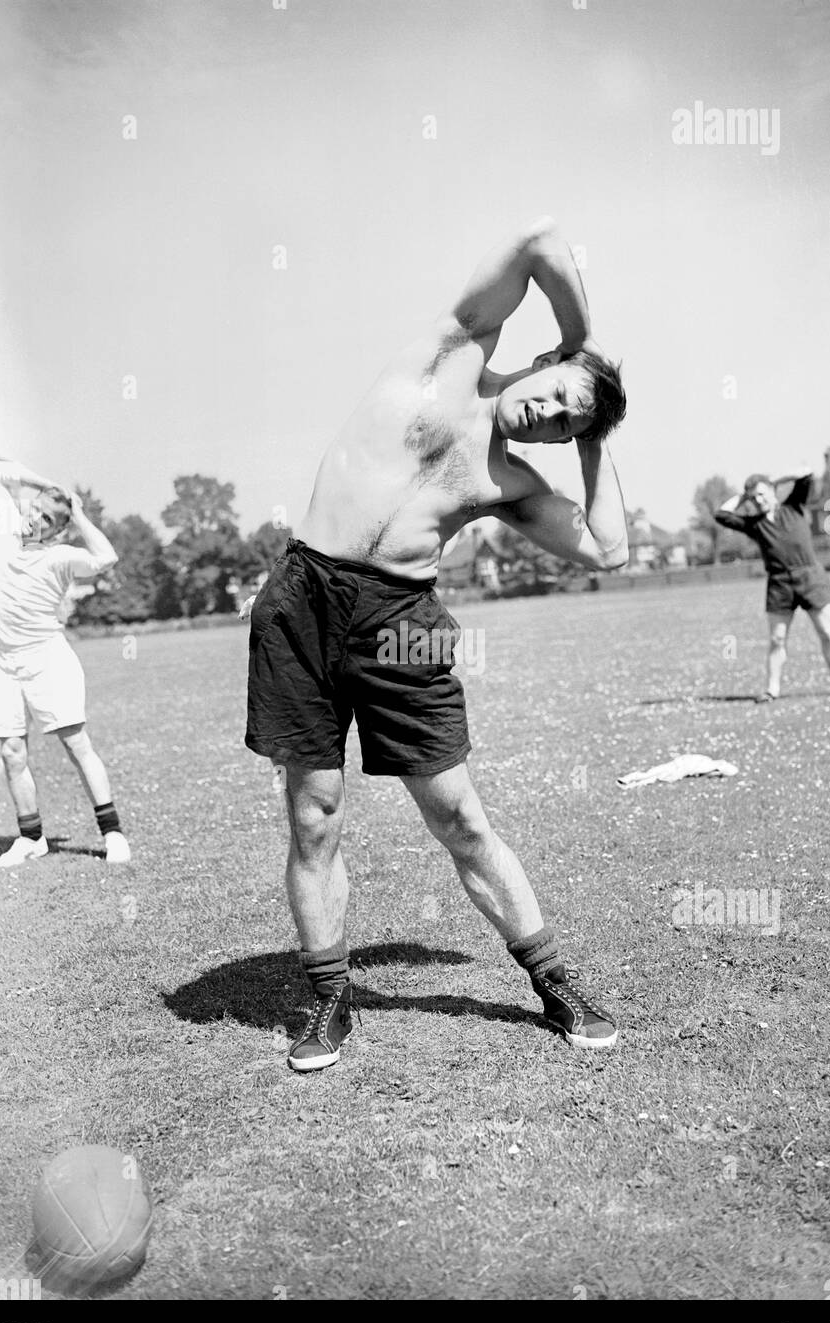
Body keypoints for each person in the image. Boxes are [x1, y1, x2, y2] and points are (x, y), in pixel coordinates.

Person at [245, 216, 629, 1072]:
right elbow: (541, 240)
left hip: (401, 624)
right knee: (314, 816)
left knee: (458, 815)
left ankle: (552, 980)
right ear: (541, 359)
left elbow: (609, 548)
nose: (550, 414)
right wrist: (586, 341)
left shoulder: (510, 481)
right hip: (303, 596)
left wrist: (596, 436)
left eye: (565, 425)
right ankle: (328, 998)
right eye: (559, 393)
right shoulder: (449, 351)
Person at [0, 459, 131, 866]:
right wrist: (48, 485)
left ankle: (113, 833)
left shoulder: (62, 556)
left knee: (77, 745)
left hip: (47, 659)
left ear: (58, 528)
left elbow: (107, 556)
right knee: (12, 753)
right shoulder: (7, 531)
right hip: (2, 662)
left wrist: (77, 513)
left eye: (47, 518)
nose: (35, 519)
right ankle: (31, 838)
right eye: (35, 509)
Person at [715, 473, 830, 702]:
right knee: (777, 639)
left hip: (811, 578)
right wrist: (743, 496)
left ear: (772, 491)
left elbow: (805, 474)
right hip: (779, 585)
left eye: (761, 494)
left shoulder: (793, 507)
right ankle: (772, 689)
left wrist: (776, 479)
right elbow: (721, 515)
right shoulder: (754, 524)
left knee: (826, 631)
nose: (758, 501)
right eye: (753, 498)